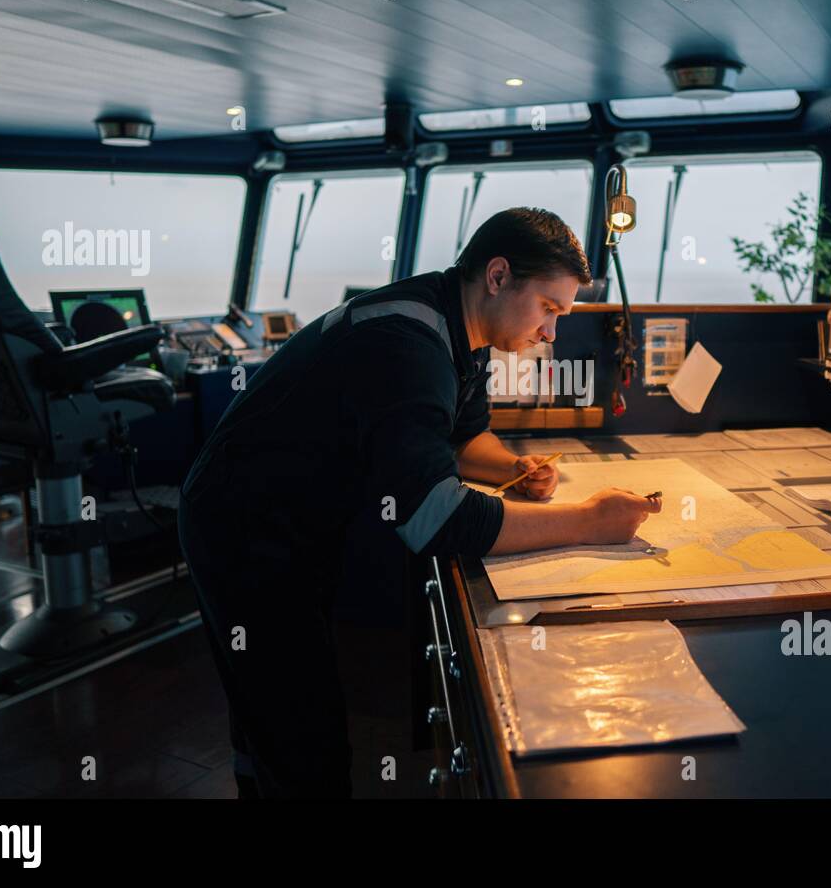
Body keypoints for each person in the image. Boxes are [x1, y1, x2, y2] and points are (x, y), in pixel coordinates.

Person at [177, 207, 662, 797]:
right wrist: (588, 523)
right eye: (549, 309)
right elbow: (436, 518)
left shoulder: (464, 327)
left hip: (298, 518)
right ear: (498, 275)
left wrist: (512, 467)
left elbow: (460, 437)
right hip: (245, 524)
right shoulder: (406, 342)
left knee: (274, 705)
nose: (551, 332)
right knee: (301, 728)